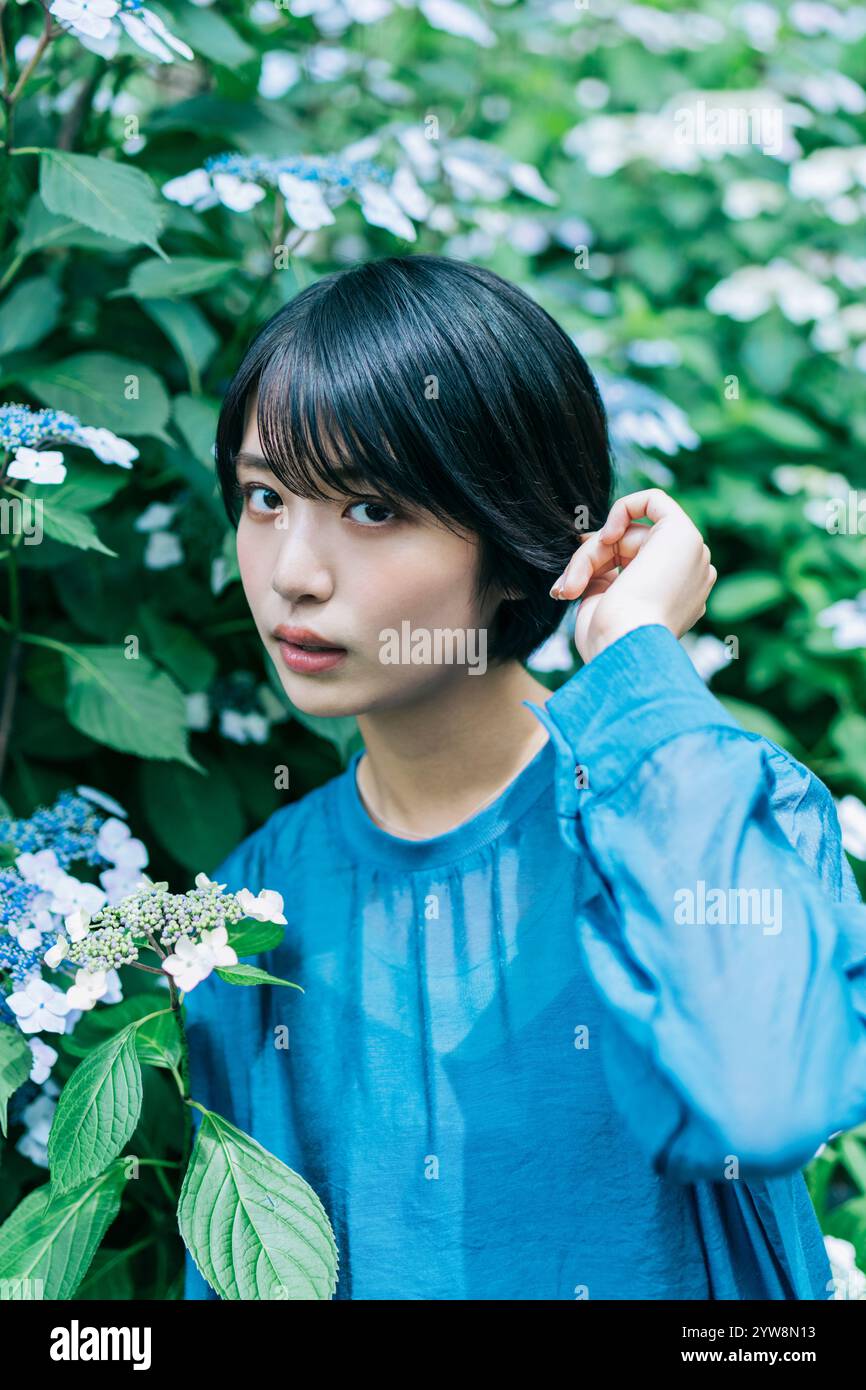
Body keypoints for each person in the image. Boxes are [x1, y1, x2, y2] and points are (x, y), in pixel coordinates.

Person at [182, 254, 866, 1301]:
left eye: (370, 507)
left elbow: (761, 1097)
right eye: (265, 496)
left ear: (513, 536)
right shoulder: (251, 911)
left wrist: (635, 651)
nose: (291, 572)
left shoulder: (696, 802)